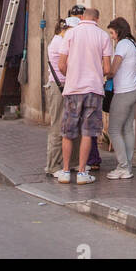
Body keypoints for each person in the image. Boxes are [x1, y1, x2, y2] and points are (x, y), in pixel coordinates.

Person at [54, 6, 111, 184]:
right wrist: (96, 74)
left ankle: (64, 171)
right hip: (93, 89)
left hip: (73, 88)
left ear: (82, 18)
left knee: (68, 132)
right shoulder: (103, 36)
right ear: (97, 19)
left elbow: (61, 64)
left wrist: (71, 76)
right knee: (88, 132)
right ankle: (81, 173)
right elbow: (107, 68)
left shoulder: (70, 34)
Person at [105, 17, 136, 180]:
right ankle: (128, 165)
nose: (111, 36)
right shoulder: (134, 44)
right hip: (135, 89)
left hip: (123, 92)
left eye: (112, 33)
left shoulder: (122, 45)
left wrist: (103, 68)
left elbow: (112, 71)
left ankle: (123, 167)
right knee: (127, 129)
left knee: (113, 129)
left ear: (118, 31)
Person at [45, 19, 76, 177]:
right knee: (58, 126)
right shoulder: (59, 42)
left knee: (69, 125)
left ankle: (70, 162)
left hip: (65, 86)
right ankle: (53, 165)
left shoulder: (61, 40)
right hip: (59, 87)